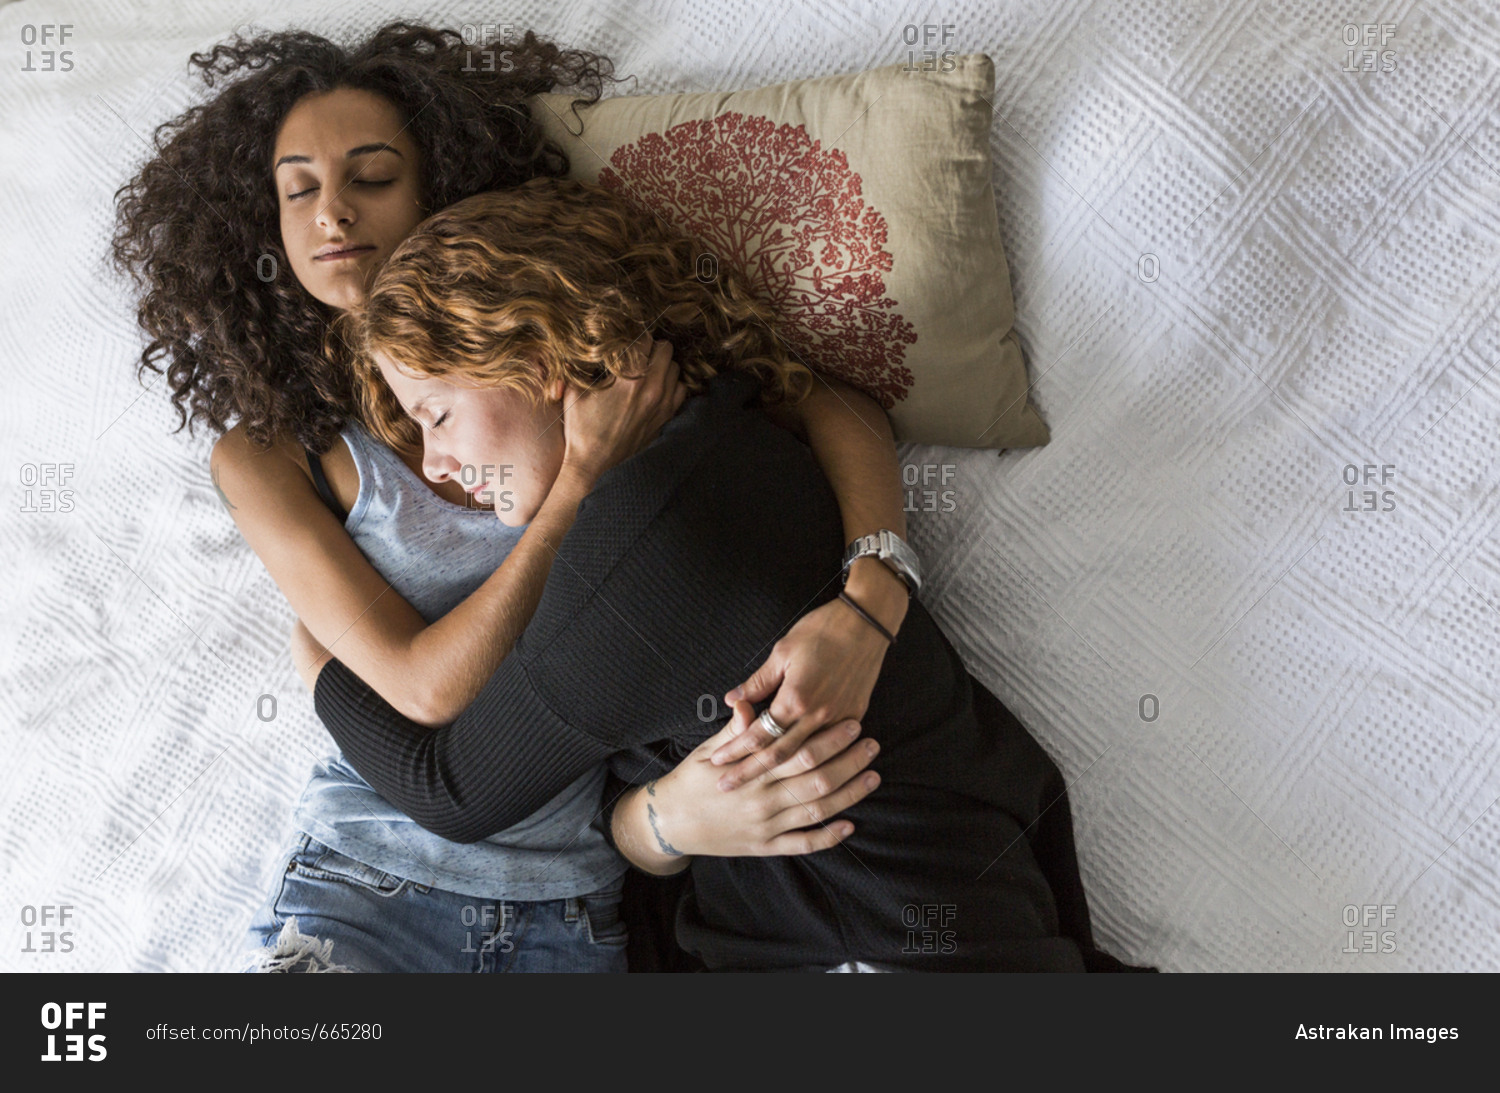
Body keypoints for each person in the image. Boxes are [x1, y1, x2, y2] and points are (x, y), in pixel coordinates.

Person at [111, 23, 910, 972]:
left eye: (371, 178)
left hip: (574, 900)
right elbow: (425, 689)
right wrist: (574, 483)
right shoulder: (270, 455)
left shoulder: (565, 333)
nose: (332, 214)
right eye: (299, 190)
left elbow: (827, 402)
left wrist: (877, 589)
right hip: (374, 877)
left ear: (437, 186)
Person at [305, 178, 1129, 971]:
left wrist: (317, 640)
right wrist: (658, 822)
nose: (439, 463)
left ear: (536, 354)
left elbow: (452, 791)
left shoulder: (641, 551)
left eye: (436, 414)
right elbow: (835, 402)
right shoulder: (715, 431)